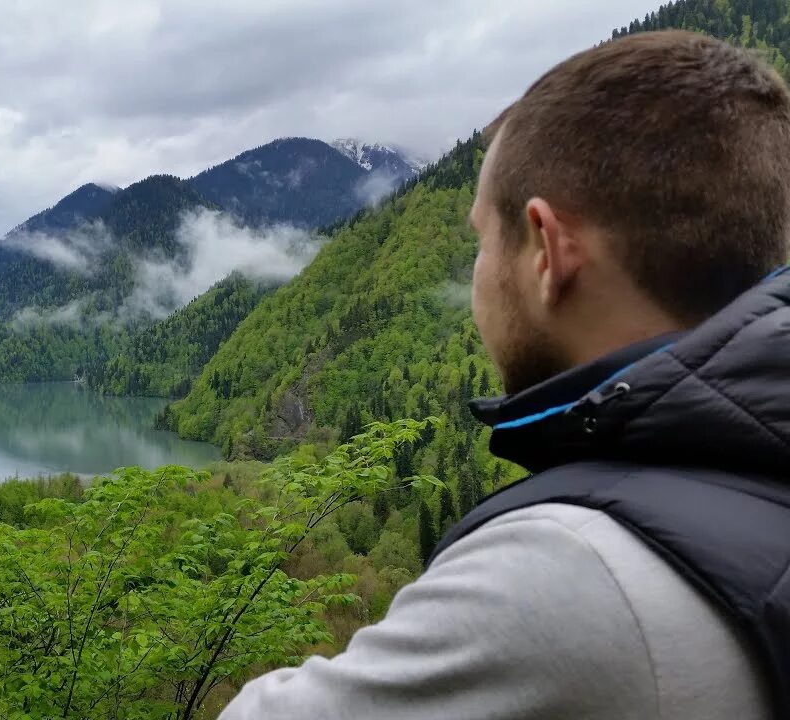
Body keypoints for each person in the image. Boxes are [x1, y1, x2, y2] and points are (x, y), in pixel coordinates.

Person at [220, 29, 790, 719]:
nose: (478, 275)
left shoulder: (563, 576)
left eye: (483, 240)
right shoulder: (754, 475)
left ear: (547, 250)